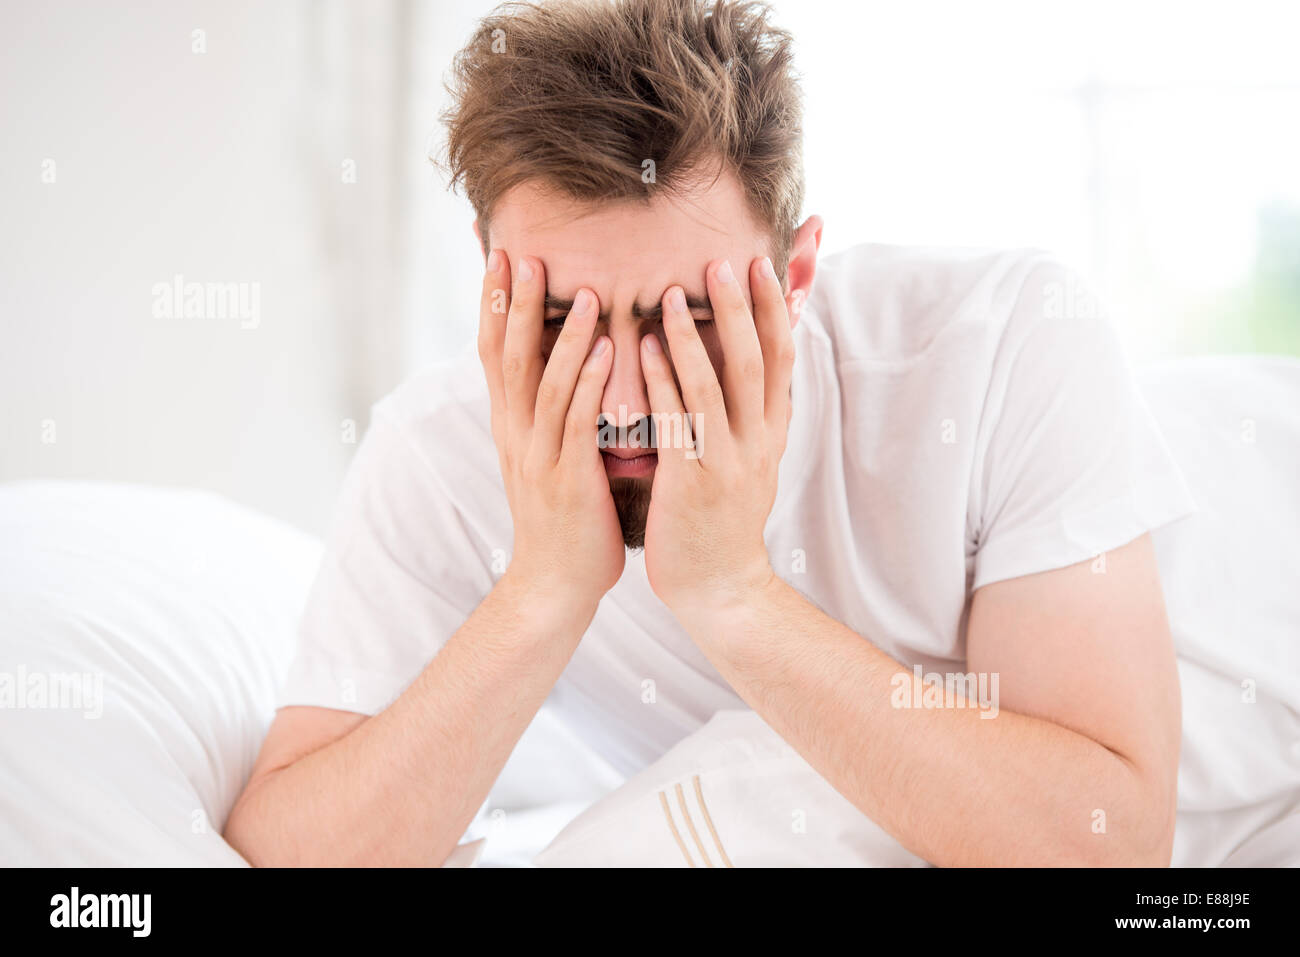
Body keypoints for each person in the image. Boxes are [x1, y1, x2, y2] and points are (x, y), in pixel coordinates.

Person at [224, 0, 1196, 866]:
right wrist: (542, 590)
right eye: (560, 323)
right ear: (489, 275)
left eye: (684, 321)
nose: (620, 400)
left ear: (797, 276)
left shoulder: (1001, 341)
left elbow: (1108, 850)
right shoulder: (436, 455)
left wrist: (732, 595)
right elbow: (289, 858)